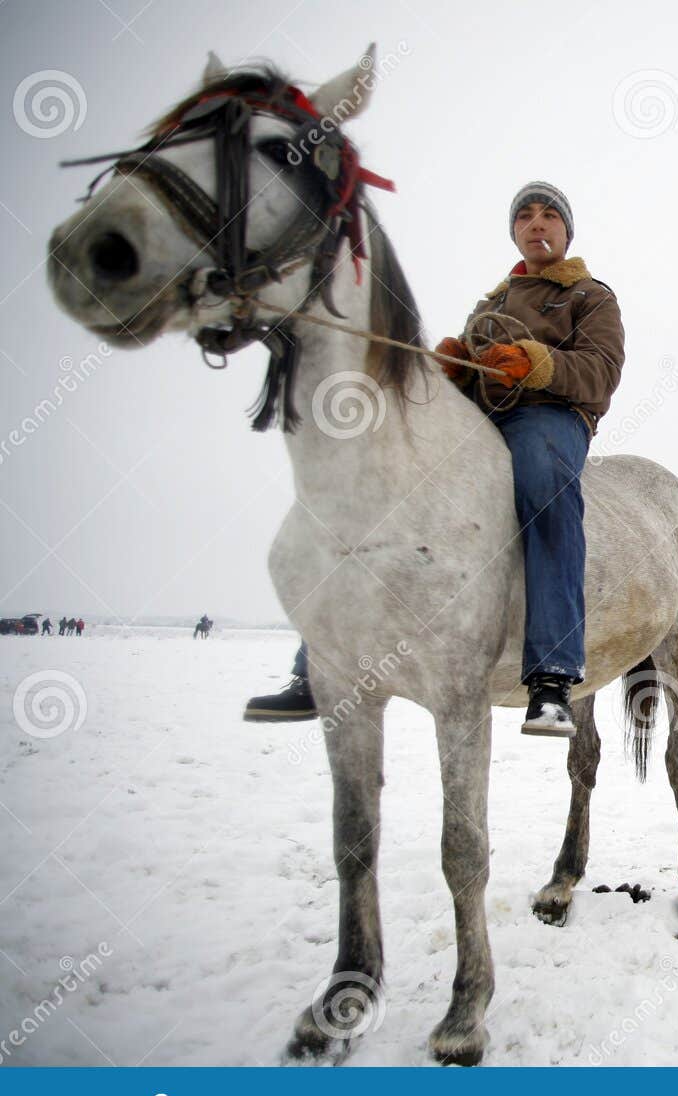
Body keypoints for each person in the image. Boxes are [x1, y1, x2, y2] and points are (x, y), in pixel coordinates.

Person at [244, 181, 624, 738]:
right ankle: (318, 667)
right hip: (485, 418)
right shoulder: (490, 303)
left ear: (567, 232)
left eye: (549, 216)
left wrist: (534, 362)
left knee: (546, 483)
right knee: (389, 480)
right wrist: (455, 368)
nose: (537, 224)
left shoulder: (591, 296)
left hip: (549, 417)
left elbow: (601, 371)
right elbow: (473, 372)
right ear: (515, 232)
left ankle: (551, 676)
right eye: (525, 216)